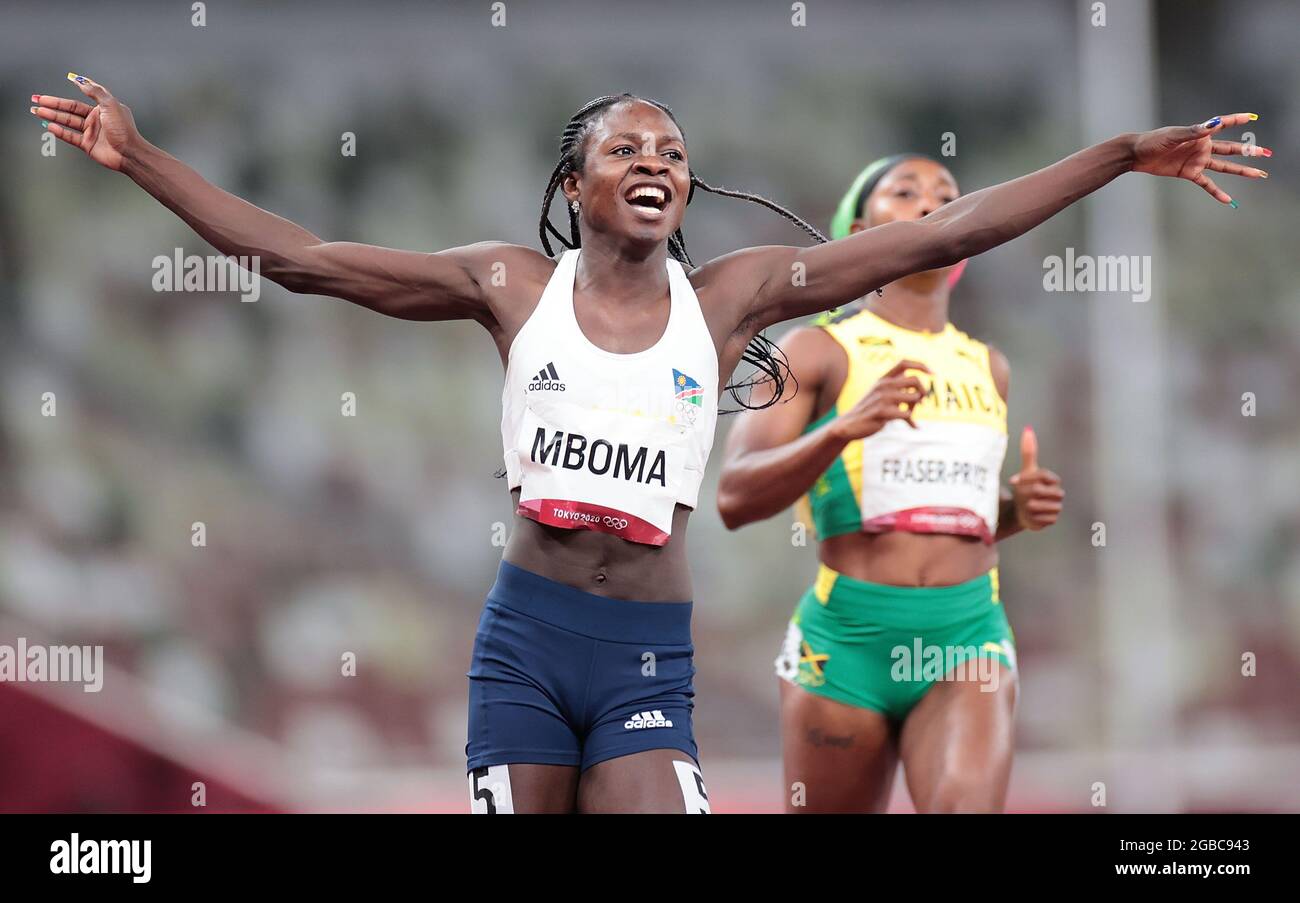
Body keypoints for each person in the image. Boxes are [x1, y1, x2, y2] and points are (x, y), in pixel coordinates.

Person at [32, 74, 1268, 812]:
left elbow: (933, 240)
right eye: (626, 147)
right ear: (575, 182)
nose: (656, 163)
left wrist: (1116, 156)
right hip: (525, 641)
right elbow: (303, 260)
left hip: (639, 655)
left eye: (673, 154)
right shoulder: (508, 282)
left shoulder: (729, 296)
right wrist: (139, 157)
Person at [720, 154, 1072, 812]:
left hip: (966, 636)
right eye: (904, 191)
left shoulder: (988, 366)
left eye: (946, 194)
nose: (930, 202)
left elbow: (946, 518)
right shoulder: (815, 350)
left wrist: (1013, 510)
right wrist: (839, 429)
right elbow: (734, 496)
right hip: (846, 645)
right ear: (857, 232)